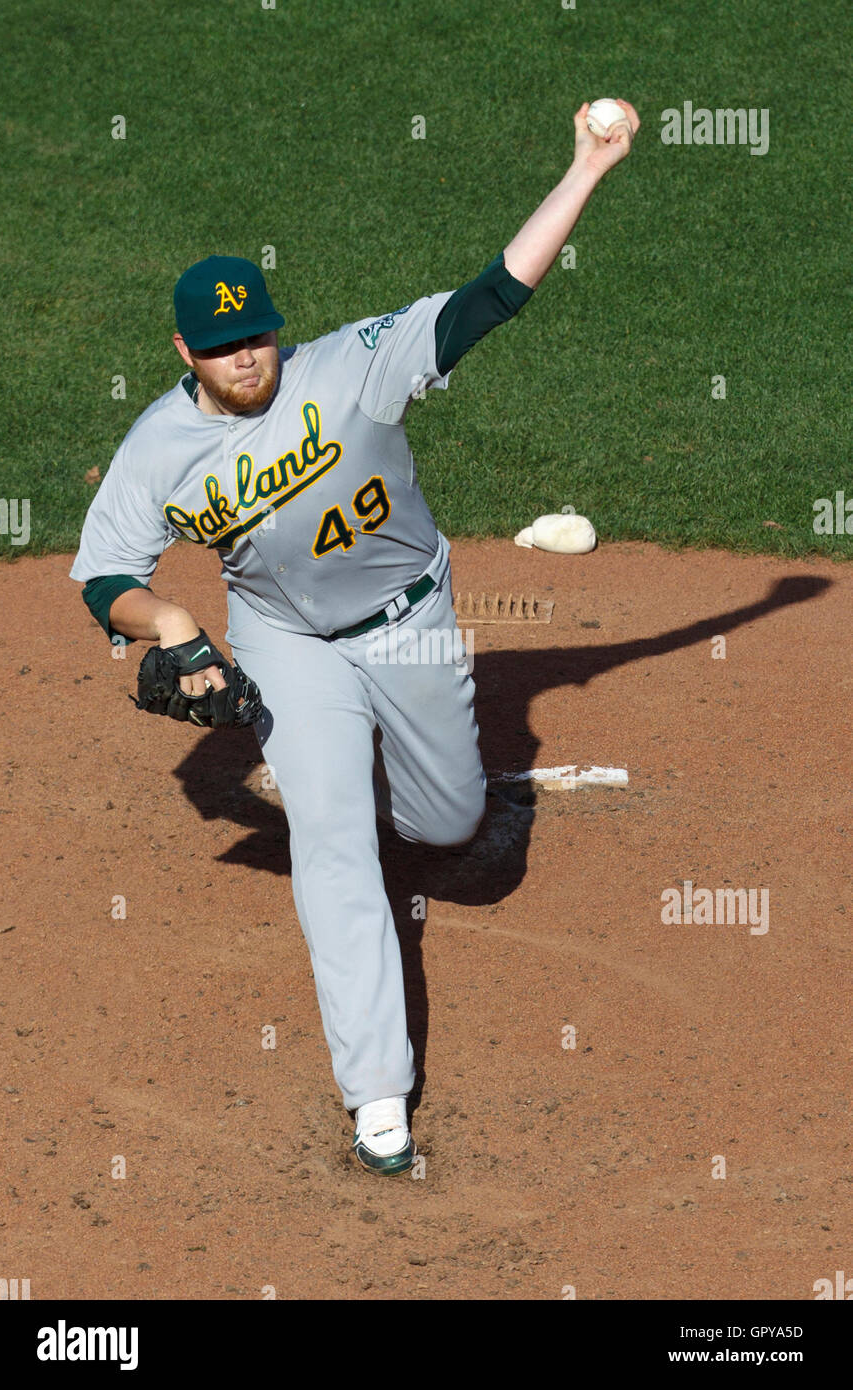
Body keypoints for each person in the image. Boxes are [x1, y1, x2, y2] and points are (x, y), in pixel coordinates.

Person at [70, 101, 640, 1174]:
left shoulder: (352, 365)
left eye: (259, 333)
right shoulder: (159, 446)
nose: (247, 357)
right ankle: (375, 1093)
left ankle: (393, 777)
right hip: (288, 644)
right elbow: (106, 576)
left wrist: (587, 167)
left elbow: (490, 295)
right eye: (223, 343)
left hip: (410, 622)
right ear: (183, 347)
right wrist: (172, 619)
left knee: (445, 825)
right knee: (333, 843)